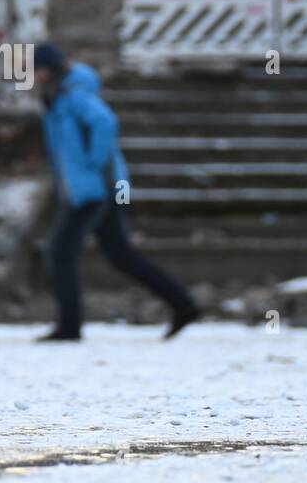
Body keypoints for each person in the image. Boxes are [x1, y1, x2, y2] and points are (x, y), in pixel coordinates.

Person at [33, 43, 199, 341]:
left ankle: (69, 327)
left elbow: (106, 122)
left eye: (35, 69)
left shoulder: (73, 95)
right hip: (99, 187)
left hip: (96, 189)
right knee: (120, 255)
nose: (32, 76)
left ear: (49, 70)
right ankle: (183, 304)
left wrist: (91, 163)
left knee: (60, 253)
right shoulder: (60, 96)